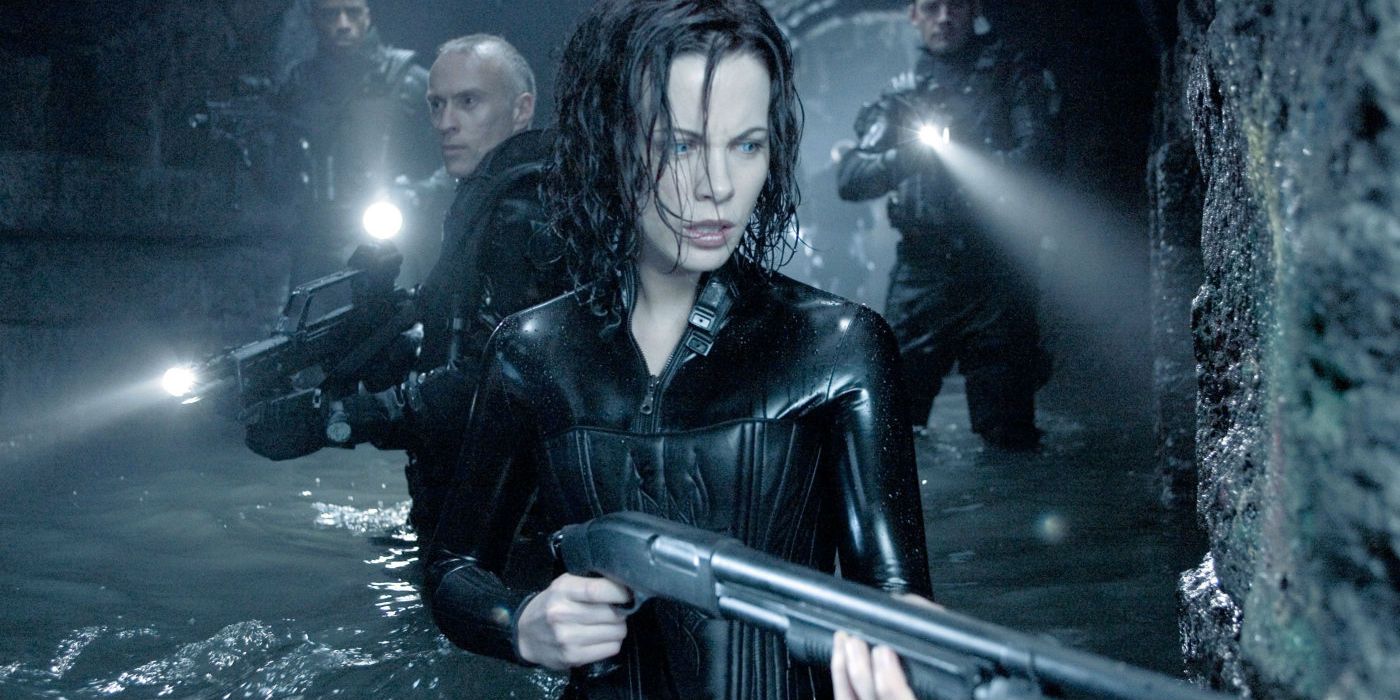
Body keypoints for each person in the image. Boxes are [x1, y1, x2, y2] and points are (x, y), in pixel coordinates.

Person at [424, 1, 932, 698]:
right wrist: (519, 622)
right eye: (681, 145)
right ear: (611, 143)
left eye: (746, 145)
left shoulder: (837, 347)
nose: (719, 186)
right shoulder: (531, 352)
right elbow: (452, 567)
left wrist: (905, 652)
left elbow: (899, 599)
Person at [245, 34, 567, 539]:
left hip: (508, 535)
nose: (445, 122)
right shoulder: (486, 200)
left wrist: (338, 419)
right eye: (437, 104)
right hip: (469, 518)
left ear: (522, 109)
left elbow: (495, 387)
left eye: (469, 102)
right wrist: (385, 343)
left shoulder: (524, 213)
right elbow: (456, 347)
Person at [836, 0, 1060, 450]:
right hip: (923, 271)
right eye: (931, 7)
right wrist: (910, 157)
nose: (944, 17)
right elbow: (852, 178)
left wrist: (970, 161)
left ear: (974, 10)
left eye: (954, 5)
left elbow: (1040, 159)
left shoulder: (1013, 77)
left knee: (1008, 430)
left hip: (997, 270)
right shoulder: (904, 96)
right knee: (892, 427)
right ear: (914, 16)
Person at [274, 0, 442, 284]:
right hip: (315, 237)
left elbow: (461, 153)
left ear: (367, 16)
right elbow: (279, 170)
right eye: (330, 15)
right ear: (314, 20)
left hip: (389, 236)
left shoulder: (408, 81)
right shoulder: (299, 85)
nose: (342, 25)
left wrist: (421, 193)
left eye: (352, 12)